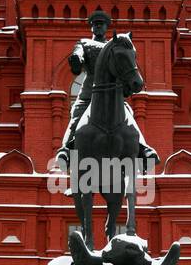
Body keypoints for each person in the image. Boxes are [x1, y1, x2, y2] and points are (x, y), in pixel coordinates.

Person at [56, 9, 158, 167]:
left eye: (101, 24)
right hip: (89, 92)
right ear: (91, 27)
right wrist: (76, 59)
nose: (98, 27)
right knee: (76, 114)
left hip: (113, 94)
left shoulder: (115, 46)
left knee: (129, 115)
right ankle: (65, 150)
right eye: (95, 24)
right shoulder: (84, 43)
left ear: (106, 27)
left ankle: (143, 148)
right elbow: (79, 55)